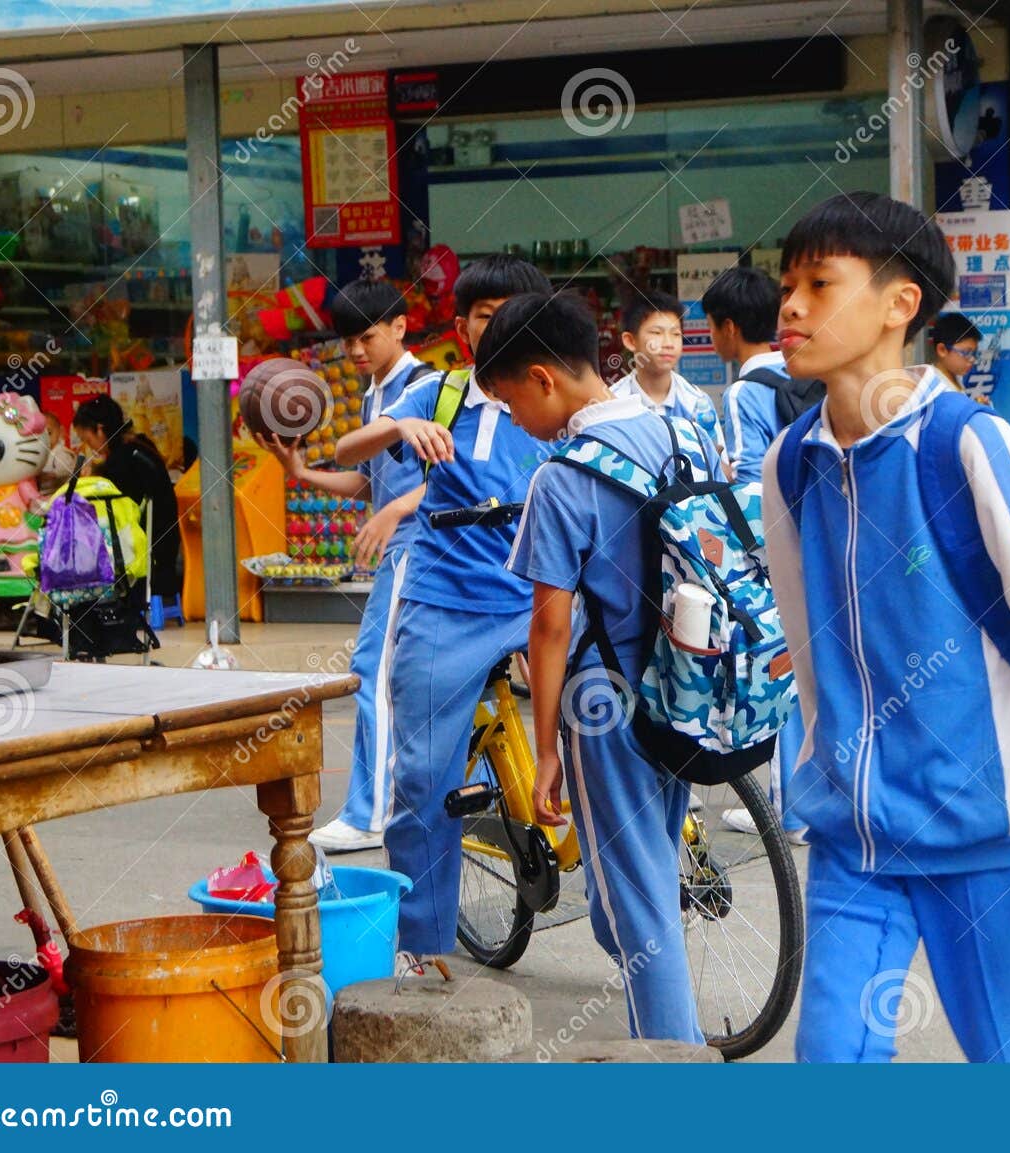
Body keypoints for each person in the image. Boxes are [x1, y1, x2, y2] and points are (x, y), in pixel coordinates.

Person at [760, 192, 1010, 1062]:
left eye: (819, 284)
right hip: (855, 837)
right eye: (786, 285)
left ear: (901, 304)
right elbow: (805, 636)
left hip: (986, 835)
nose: (789, 306)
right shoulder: (792, 461)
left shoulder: (966, 445)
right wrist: (815, 763)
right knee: (831, 1062)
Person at [485, 290, 720, 1043]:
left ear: (545, 377)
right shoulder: (686, 433)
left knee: (637, 903)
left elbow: (550, 627)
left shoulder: (561, 477)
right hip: (687, 683)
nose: (516, 420)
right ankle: (667, 1037)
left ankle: (671, 1073)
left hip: (606, 699)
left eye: (510, 399)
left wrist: (546, 745)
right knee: (647, 883)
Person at [335, 254, 551, 971]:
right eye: (488, 315)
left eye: (517, 312)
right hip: (446, 604)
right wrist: (399, 433)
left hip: (542, 597)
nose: (506, 328)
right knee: (424, 779)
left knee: (614, 739)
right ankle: (425, 950)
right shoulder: (440, 392)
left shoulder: (556, 398)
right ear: (461, 328)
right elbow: (347, 447)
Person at [257, 277, 436, 854]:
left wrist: (394, 514)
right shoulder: (372, 396)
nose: (356, 351)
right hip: (403, 549)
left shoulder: (427, 387)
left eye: (367, 337)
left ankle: (371, 813)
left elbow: (454, 479)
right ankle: (443, 796)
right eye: (348, 342)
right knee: (416, 680)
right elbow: (370, 483)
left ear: (400, 326)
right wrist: (301, 474)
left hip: (421, 547)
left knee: (372, 669)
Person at [703, 264, 808, 841]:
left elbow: (748, 477)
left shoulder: (746, 388)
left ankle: (790, 811)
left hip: (779, 548)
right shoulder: (804, 372)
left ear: (725, 328)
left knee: (782, 668)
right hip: (824, 539)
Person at [72, 395, 182, 602]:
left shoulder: (122, 460)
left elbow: (117, 511)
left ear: (100, 429)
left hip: (150, 555)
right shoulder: (138, 446)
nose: (91, 448)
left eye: (89, 440)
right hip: (164, 547)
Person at [612, 291, 728, 462]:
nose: (668, 343)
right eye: (656, 333)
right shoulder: (613, 402)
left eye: (676, 334)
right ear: (630, 341)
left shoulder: (697, 403)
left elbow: (722, 471)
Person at [929, 312, 986, 399]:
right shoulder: (935, 389)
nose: (972, 359)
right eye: (967, 352)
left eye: (974, 353)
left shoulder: (957, 377)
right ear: (942, 350)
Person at [37, 413, 78, 496]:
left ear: (61, 431)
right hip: (43, 493)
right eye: (40, 435)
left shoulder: (61, 452)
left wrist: (53, 474)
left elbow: (66, 468)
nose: (46, 438)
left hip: (60, 494)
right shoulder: (39, 453)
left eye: (49, 433)